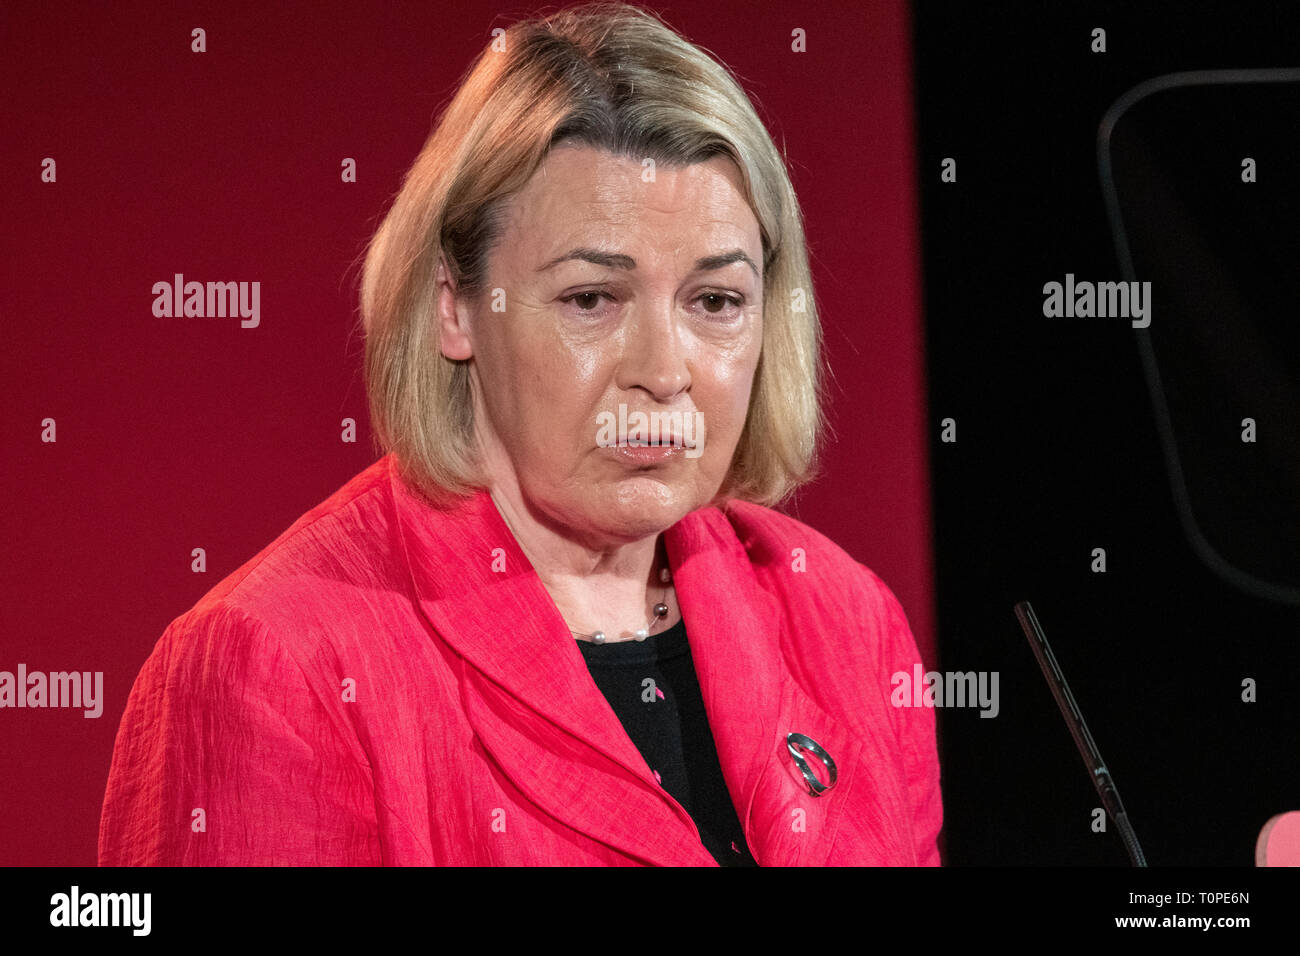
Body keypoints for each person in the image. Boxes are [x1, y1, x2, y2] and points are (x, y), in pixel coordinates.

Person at [98, 0, 942, 866]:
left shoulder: (844, 622)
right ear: (454, 308)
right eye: (591, 299)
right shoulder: (275, 667)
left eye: (715, 301)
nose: (663, 368)